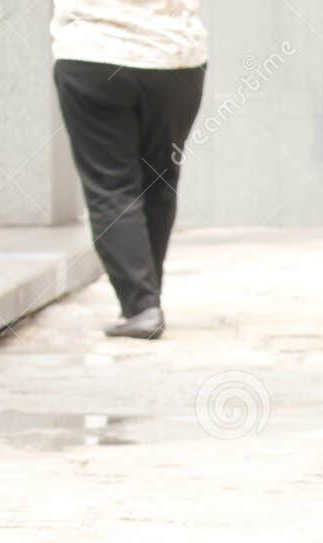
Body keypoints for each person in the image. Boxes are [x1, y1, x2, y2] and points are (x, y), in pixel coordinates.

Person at [52, 1, 207, 339]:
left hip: (93, 52)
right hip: (174, 57)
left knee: (111, 184)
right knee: (160, 179)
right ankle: (148, 300)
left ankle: (142, 306)